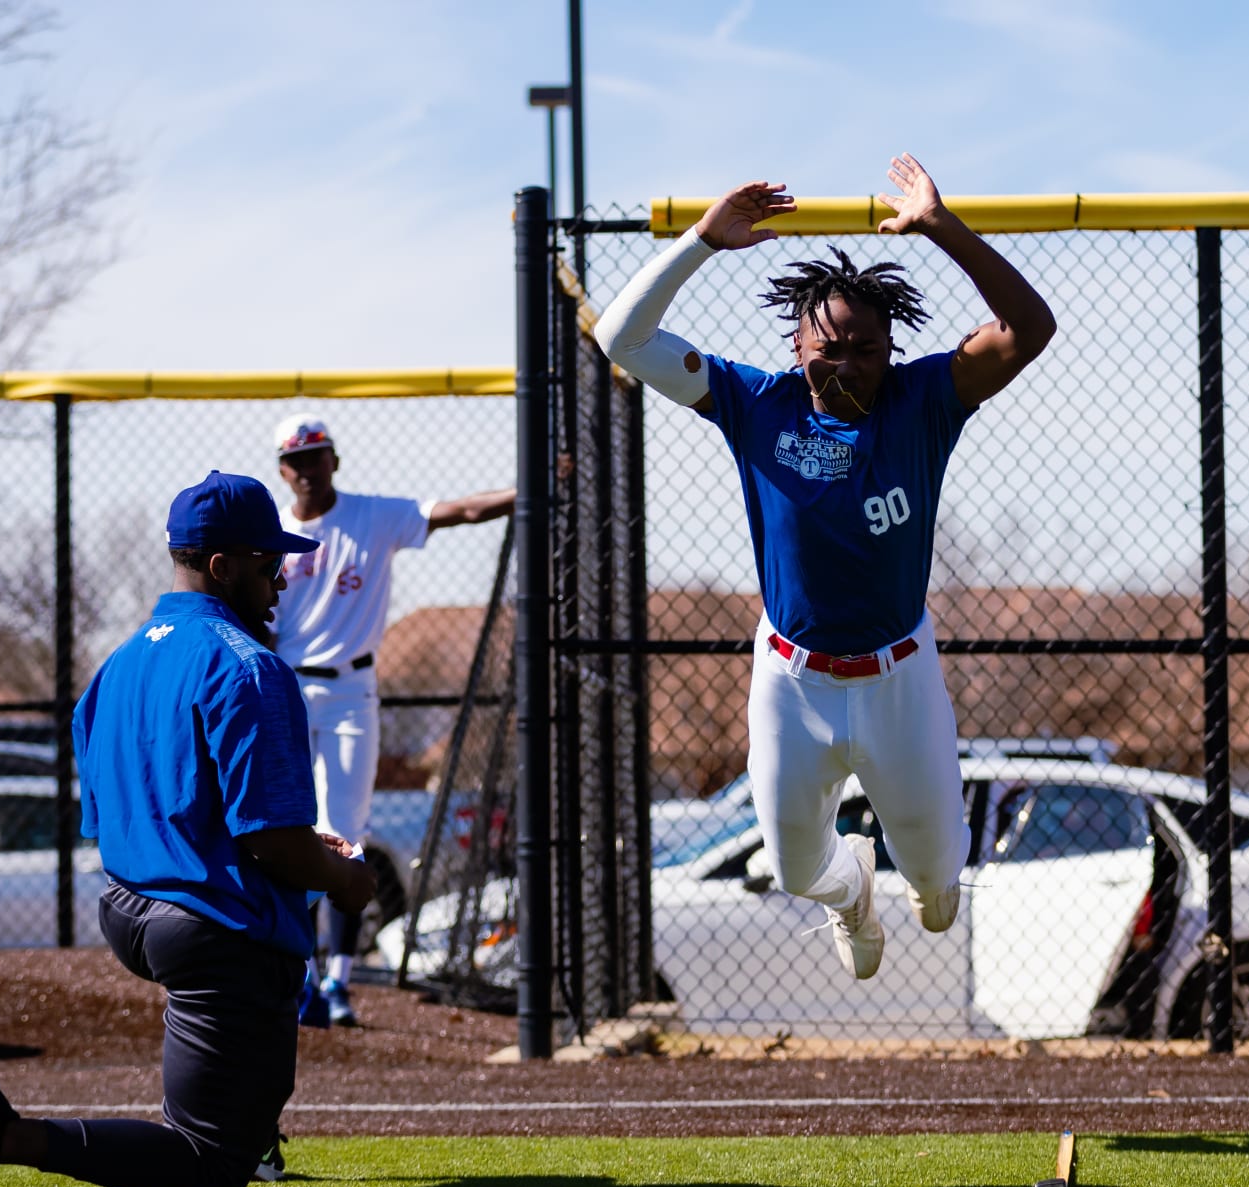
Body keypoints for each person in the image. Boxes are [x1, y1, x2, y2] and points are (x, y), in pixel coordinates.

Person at [595, 154, 1054, 979]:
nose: (846, 365)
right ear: (795, 343)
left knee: (938, 891)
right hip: (792, 679)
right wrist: (702, 240)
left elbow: (1032, 328)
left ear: (892, 349)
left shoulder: (924, 400)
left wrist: (942, 227)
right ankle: (852, 893)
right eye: (827, 348)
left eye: (866, 349)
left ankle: (921, 879)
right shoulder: (754, 402)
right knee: (795, 869)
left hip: (899, 678)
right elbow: (619, 339)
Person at [0, 471, 377, 1187]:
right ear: (222, 567)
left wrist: (281, 847)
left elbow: (125, 816)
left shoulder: (118, 664)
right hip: (210, 928)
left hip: (131, 908)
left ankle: (241, 1106)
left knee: (242, 1075)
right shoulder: (250, 667)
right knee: (210, 1163)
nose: (281, 582)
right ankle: (1, 1134)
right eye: (269, 565)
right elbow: (274, 844)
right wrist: (348, 880)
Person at [269, 415, 513, 1026]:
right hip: (287, 686)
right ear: (282, 470)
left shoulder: (371, 516)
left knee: (346, 830)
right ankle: (300, 977)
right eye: (297, 459)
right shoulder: (272, 531)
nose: (308, 468)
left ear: (335, 459)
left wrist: (528, 490)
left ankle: (338, 981)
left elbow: (459, 511)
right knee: (291, 830)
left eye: (318, 455)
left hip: (352, 687)